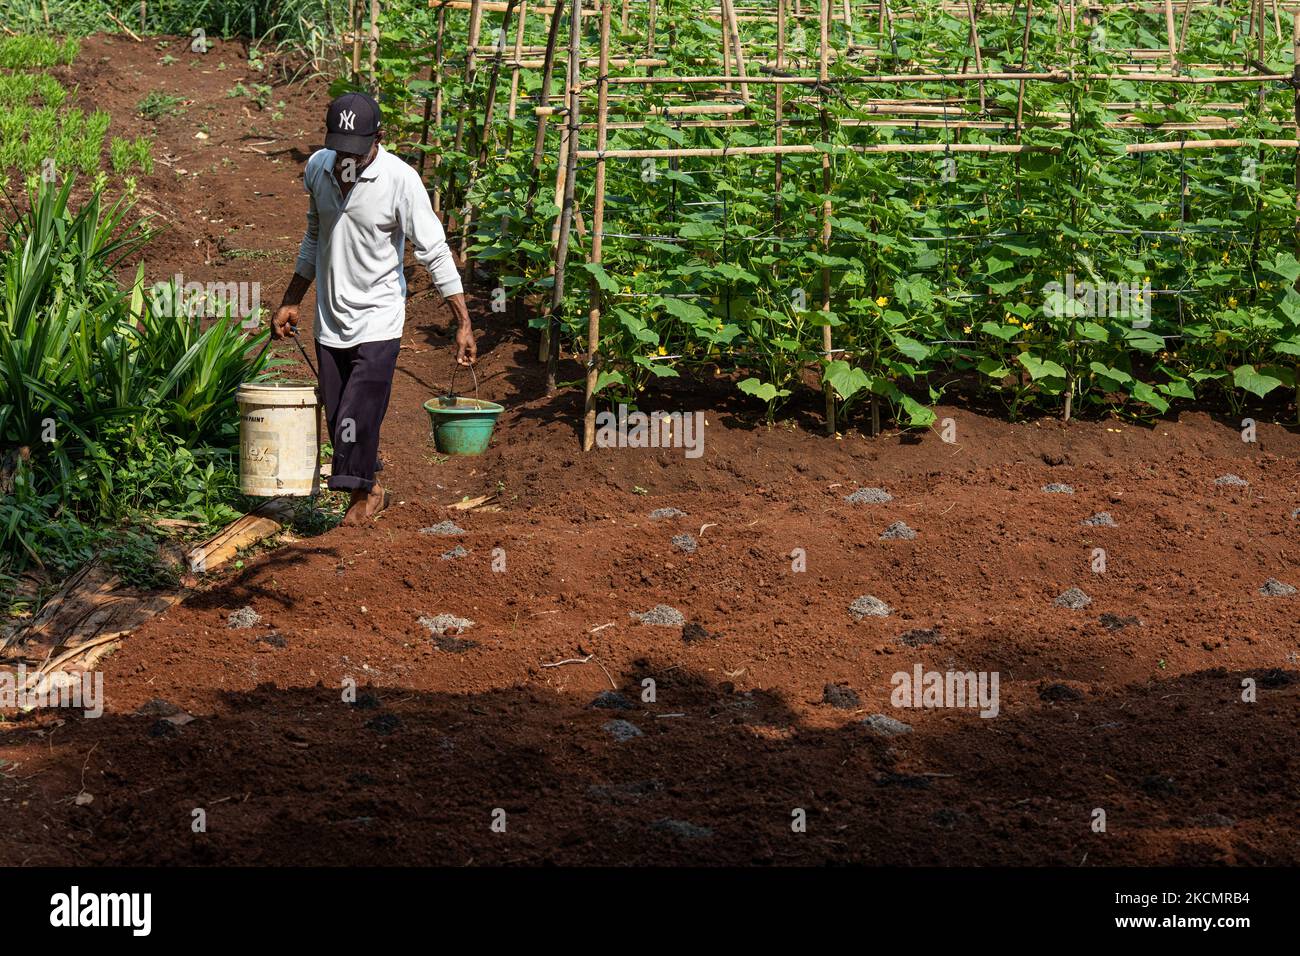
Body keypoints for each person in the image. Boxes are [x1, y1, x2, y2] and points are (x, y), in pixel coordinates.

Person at [272, 91, 475, 524]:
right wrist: (292, 299)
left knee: (357, 410)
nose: (345, 159)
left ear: (379, 138)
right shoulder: (317, 169)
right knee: (337, 408)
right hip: (330, 316)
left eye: (355, 150)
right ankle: (373, 483)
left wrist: (463, 321)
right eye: (338, 148)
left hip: (380, 317)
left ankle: (359, 498)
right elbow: (314, 234)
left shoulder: (400, 180)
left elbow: (434, 250)